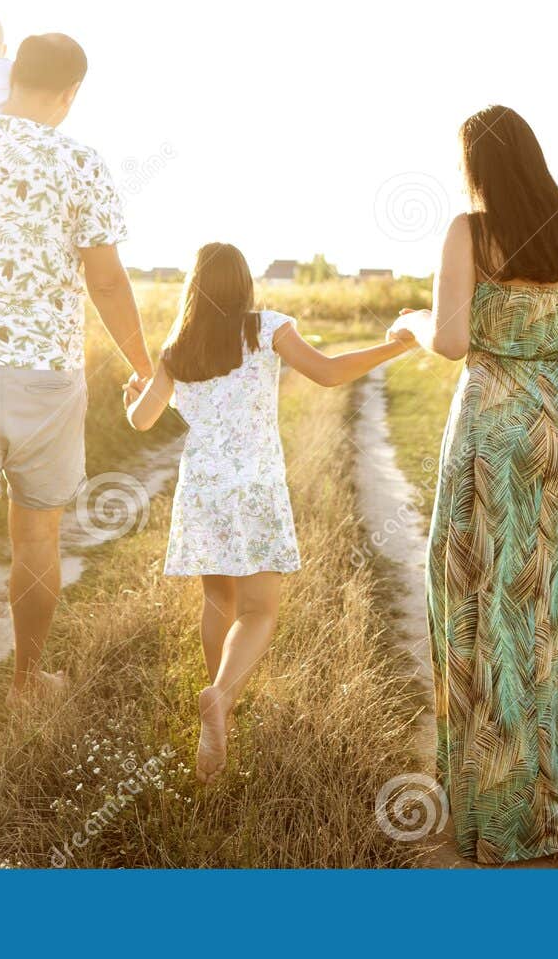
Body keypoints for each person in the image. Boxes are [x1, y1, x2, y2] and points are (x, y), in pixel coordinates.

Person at [395, 105, 558, 862]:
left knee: (476, 604)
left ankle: (496, 813)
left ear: (477, 167)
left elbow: (452, 339)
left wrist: (412, 318)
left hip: (493, 436)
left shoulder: (470, 232)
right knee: (550, 621)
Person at [0, 32, 154, 762]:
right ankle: (23, 681)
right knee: (37, 536)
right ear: (72, 93)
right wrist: (144, 365)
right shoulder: (79, 161)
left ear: (11, 75)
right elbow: (106, 281)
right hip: (44, 378)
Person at [125, 242, 415, 782]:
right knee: (259, 611)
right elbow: (328, 373)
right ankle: (222, 697)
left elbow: (142, 420)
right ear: (244, 285)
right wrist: (392, 347)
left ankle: (221, 708)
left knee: (219, 599)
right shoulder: (265, 328)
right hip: (254, 486)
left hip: (204, 488)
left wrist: (129, 398)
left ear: (194, 287)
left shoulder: (177, 347)